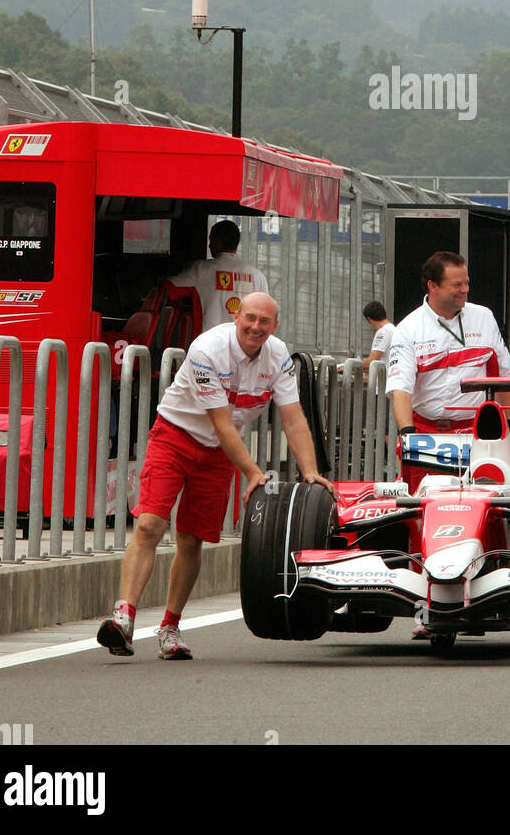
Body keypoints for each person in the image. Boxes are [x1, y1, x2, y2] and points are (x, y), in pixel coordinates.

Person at [97, 292, 332, 660]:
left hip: (221, 452)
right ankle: (124, 616)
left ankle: (170, 629)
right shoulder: (207, 348)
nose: (256, 327)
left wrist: (311, 471)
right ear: (236, 317)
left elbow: (292, 416)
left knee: (191, 540)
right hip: (175, 435)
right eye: (250, 318)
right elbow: (221, 423)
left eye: (265, 322)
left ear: (275, 325)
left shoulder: (279, 355)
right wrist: (253, 472)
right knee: (148, 525)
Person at [387, 251, 510, 638]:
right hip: (429, 434)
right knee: (421, 516)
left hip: (479, 433)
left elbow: (505, 376)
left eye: (466, 283)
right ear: (432, 286)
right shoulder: (407, 330)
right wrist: (408, 434)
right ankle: (424, 606)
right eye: (456, 284)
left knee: (503, 504)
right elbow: (399, 388)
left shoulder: (483, 317)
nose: (465, 290)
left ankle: (498, 584)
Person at [171, 218, 269, 332]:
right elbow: (266, 314)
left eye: (211, 241)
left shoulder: (200, 270)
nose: (209, 246)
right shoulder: (258, 276)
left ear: (217, 241)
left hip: (207, 345)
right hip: (242, 346)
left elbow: (169, 288)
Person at [362, 300, 395, 373]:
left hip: (384, 382)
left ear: (369, 319)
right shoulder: (394, 330)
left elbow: (372, 360)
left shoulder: (383, 332)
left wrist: (348, 367)